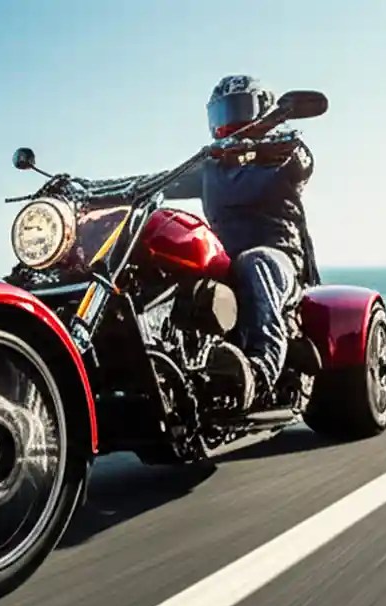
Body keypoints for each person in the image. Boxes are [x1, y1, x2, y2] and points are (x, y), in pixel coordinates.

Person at [75, 74, 318, 408]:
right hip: (223, 261)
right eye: (222, 112)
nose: (229, 120)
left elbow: (303, 162)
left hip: (278, 257)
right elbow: (150, 183)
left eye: (239, 108)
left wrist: (268, 134)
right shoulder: (210, 169)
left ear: (262, 111)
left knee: (255, 262)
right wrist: (86, 191)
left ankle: (260, 373)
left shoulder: (284, 156)